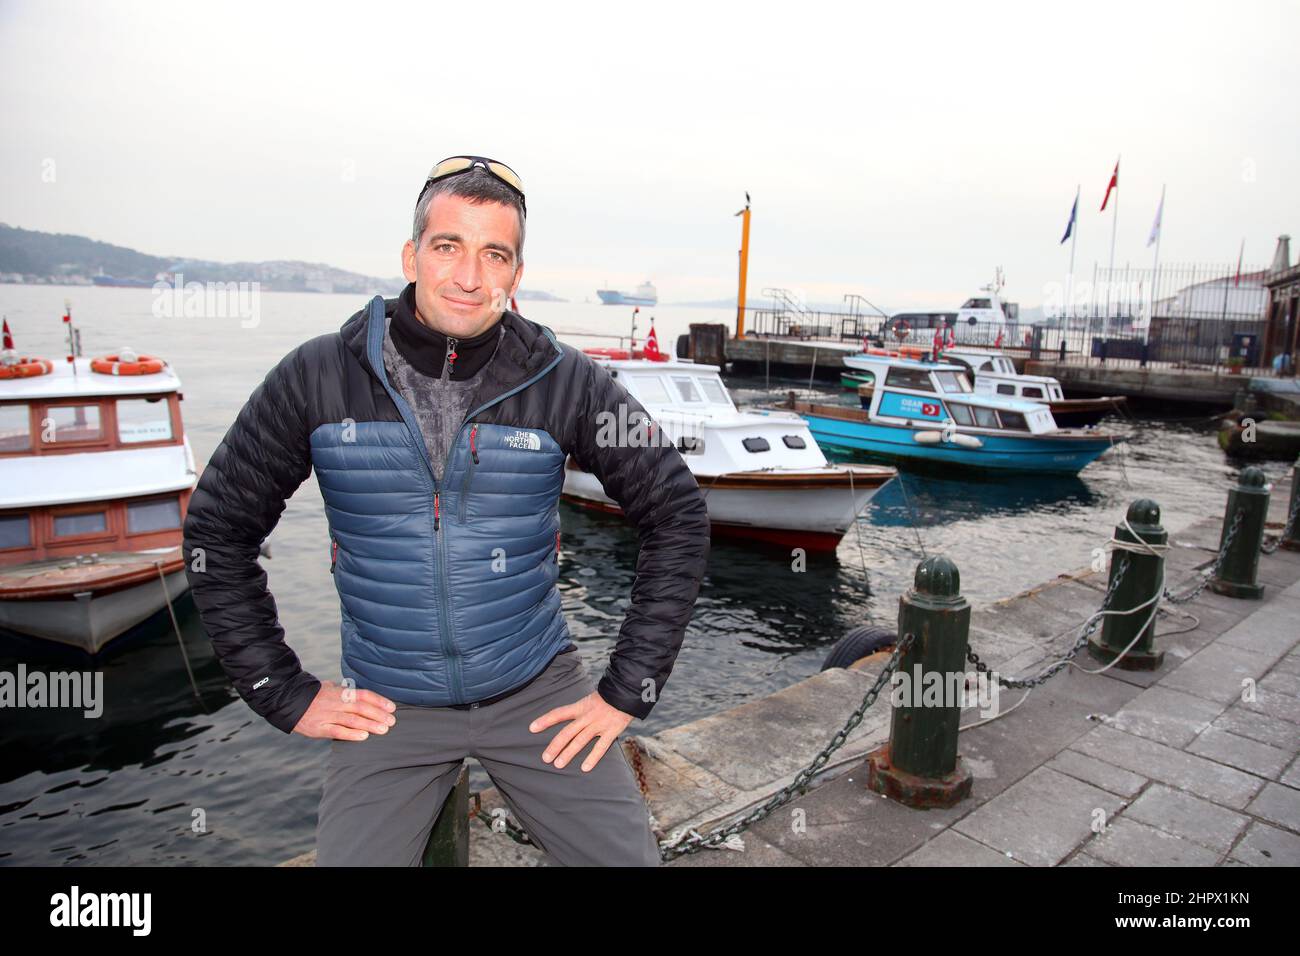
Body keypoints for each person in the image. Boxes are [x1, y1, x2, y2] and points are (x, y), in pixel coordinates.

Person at [182, 155, 711, 866]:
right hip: (387, 707)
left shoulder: (564, 382)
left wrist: (624, 693)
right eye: (448, 247)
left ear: (515, 275)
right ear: (411, 256)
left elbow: (676, 513)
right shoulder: (319, 375)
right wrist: (283, 689)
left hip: (536, 691)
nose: (469, 276)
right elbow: (218, 531)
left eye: (494, 255)